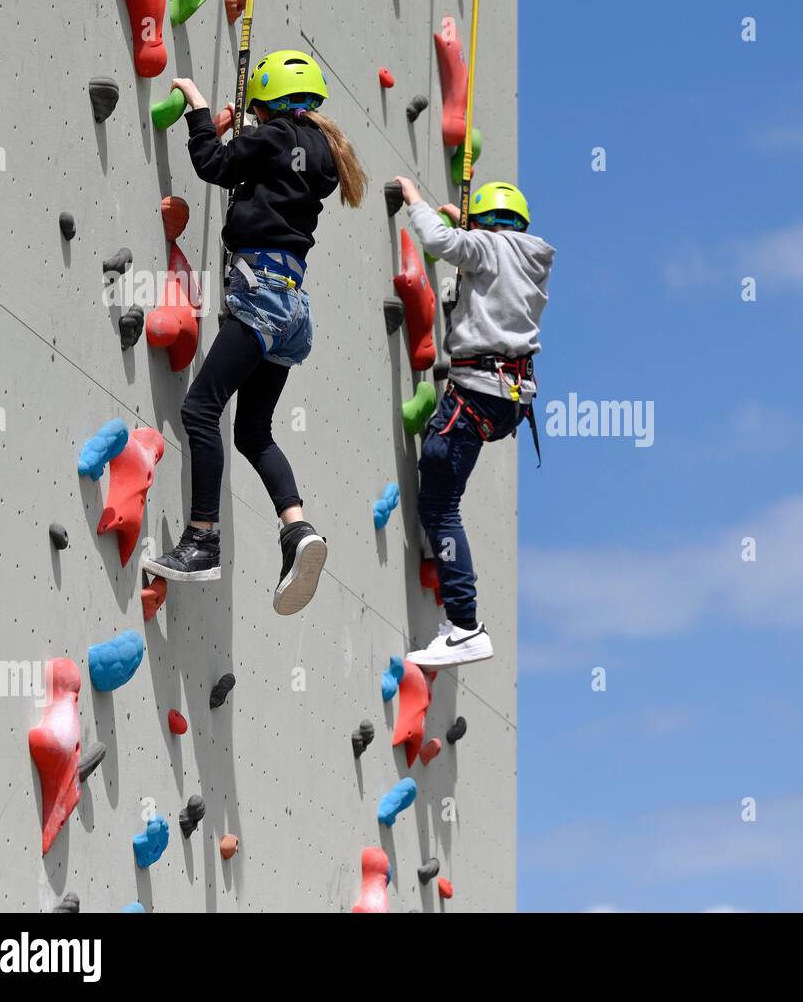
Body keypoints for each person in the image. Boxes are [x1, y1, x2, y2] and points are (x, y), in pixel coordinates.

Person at [142, 52, 366, 615]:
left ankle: (202, 539)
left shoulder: (271, 139)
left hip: (260, 292)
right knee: (254, 433)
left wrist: (198, 110)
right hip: (292, 307)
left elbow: (213, 166)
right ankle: (296, 529)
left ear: (265, 103)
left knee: (199, 410)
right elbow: (268, 171)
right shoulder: (322, 152)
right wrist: (247, 132)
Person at [393, 177, 554, 667]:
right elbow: (483, 271)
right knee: (442, 496)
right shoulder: (529, 258)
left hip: (475, 391)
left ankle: (465, 625)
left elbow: (441, 244)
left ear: (483, 225)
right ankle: (443, 564)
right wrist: (470, 228)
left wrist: (414, 201)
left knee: (440, 503)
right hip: (507, 397)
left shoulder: (485, 247)